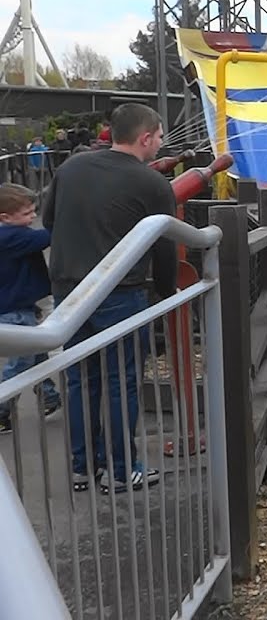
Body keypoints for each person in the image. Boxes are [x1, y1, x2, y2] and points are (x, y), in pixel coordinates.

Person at [44, 103, 177, 494]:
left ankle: (82, 469)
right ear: (145, 138)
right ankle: (122, 471)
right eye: (159, 137)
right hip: (120, 292)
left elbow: (51, 222)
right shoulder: (152, 184)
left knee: (79, 381)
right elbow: (165, 245)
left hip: (69, 289)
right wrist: (167, 292)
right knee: (122, 382)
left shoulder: (70, 169)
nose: (160, 144)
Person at [0, 184, 62, 433]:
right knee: (21, 363)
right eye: (27, 213)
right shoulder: (11, 236)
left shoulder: (11, 234)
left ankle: (49, 396)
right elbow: (47, 237)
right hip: (15, 310)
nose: (33, 217)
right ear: (5, 217)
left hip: (20, 305)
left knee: (37, 356)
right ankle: (2, 407)